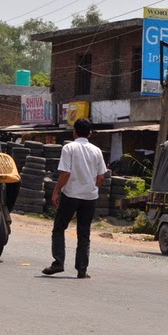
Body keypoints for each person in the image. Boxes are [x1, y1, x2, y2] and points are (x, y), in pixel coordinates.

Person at [42, 118, 107, 279]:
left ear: (74, 132)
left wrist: (56, 191)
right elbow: (101, 176)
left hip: (71, 194)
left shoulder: (69, 148)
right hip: (89, 197)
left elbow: (65, 173)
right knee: (84, 233)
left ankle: (58, 263)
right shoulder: (97, 151)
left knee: (59, 228)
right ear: (90, 133)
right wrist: (93, 188)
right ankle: (82, 270)